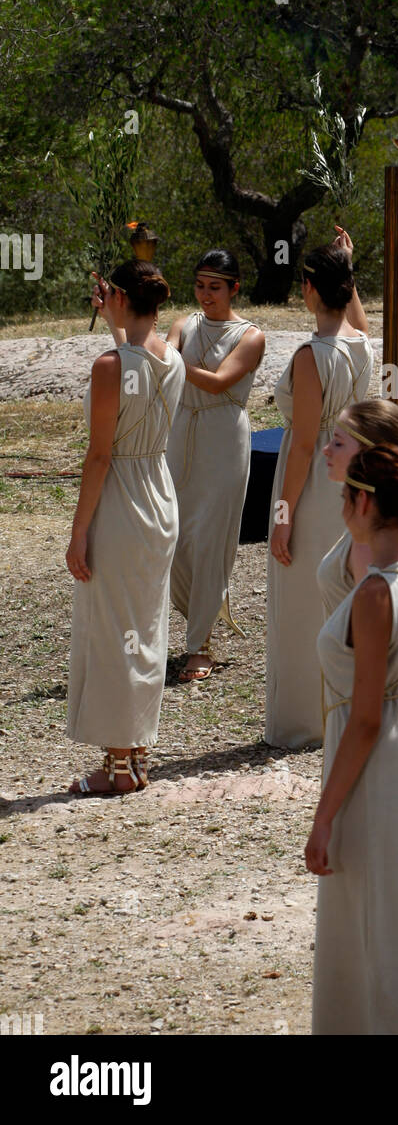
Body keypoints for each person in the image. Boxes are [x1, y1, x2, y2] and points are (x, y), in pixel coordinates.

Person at [306, 443, 398, 1035]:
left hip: (378, 763)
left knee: (382, 923)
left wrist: (323, 815)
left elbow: (364, 720)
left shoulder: (375, 594)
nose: (341, 504)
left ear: (364, 503)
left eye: (346, 495)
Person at [65, 261, 185, 794]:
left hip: (121, 500)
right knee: (145, 627)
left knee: (117, 629)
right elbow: (138, 362)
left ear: (117, 296)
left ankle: (117, 765)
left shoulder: (109, 365)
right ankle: (135, 754)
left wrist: (78, 531)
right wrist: (116, 318)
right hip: (159, 494)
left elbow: (99, 455)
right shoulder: (174, 359)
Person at [266, 228, 372, 749]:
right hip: (350, 483)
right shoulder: (362, 345)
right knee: (339, 595)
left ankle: (304, 722)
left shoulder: (312, 356)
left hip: (312, 486)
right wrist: (345, 266)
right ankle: (342, 708)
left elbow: (304, 445)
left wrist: (283, 514)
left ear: (310, 290)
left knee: (305, 599)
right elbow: (359, 320)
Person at [165, 250, 265, 681]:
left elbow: (221, 380)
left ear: (234, 288)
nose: (206, 295)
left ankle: (199, 644)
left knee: (210, 538)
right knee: (172, 534)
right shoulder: (182, 324)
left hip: (224, 436)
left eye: (215, 287)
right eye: (200, 285)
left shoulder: (251, 335)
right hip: (180, 430)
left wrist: (169, 362)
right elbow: (156, 363)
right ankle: (198, 617)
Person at [318, 399, 398, 616]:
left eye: (338, 443)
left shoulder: (369, 541)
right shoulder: (383, 516)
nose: (326, 450)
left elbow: (377, 631)